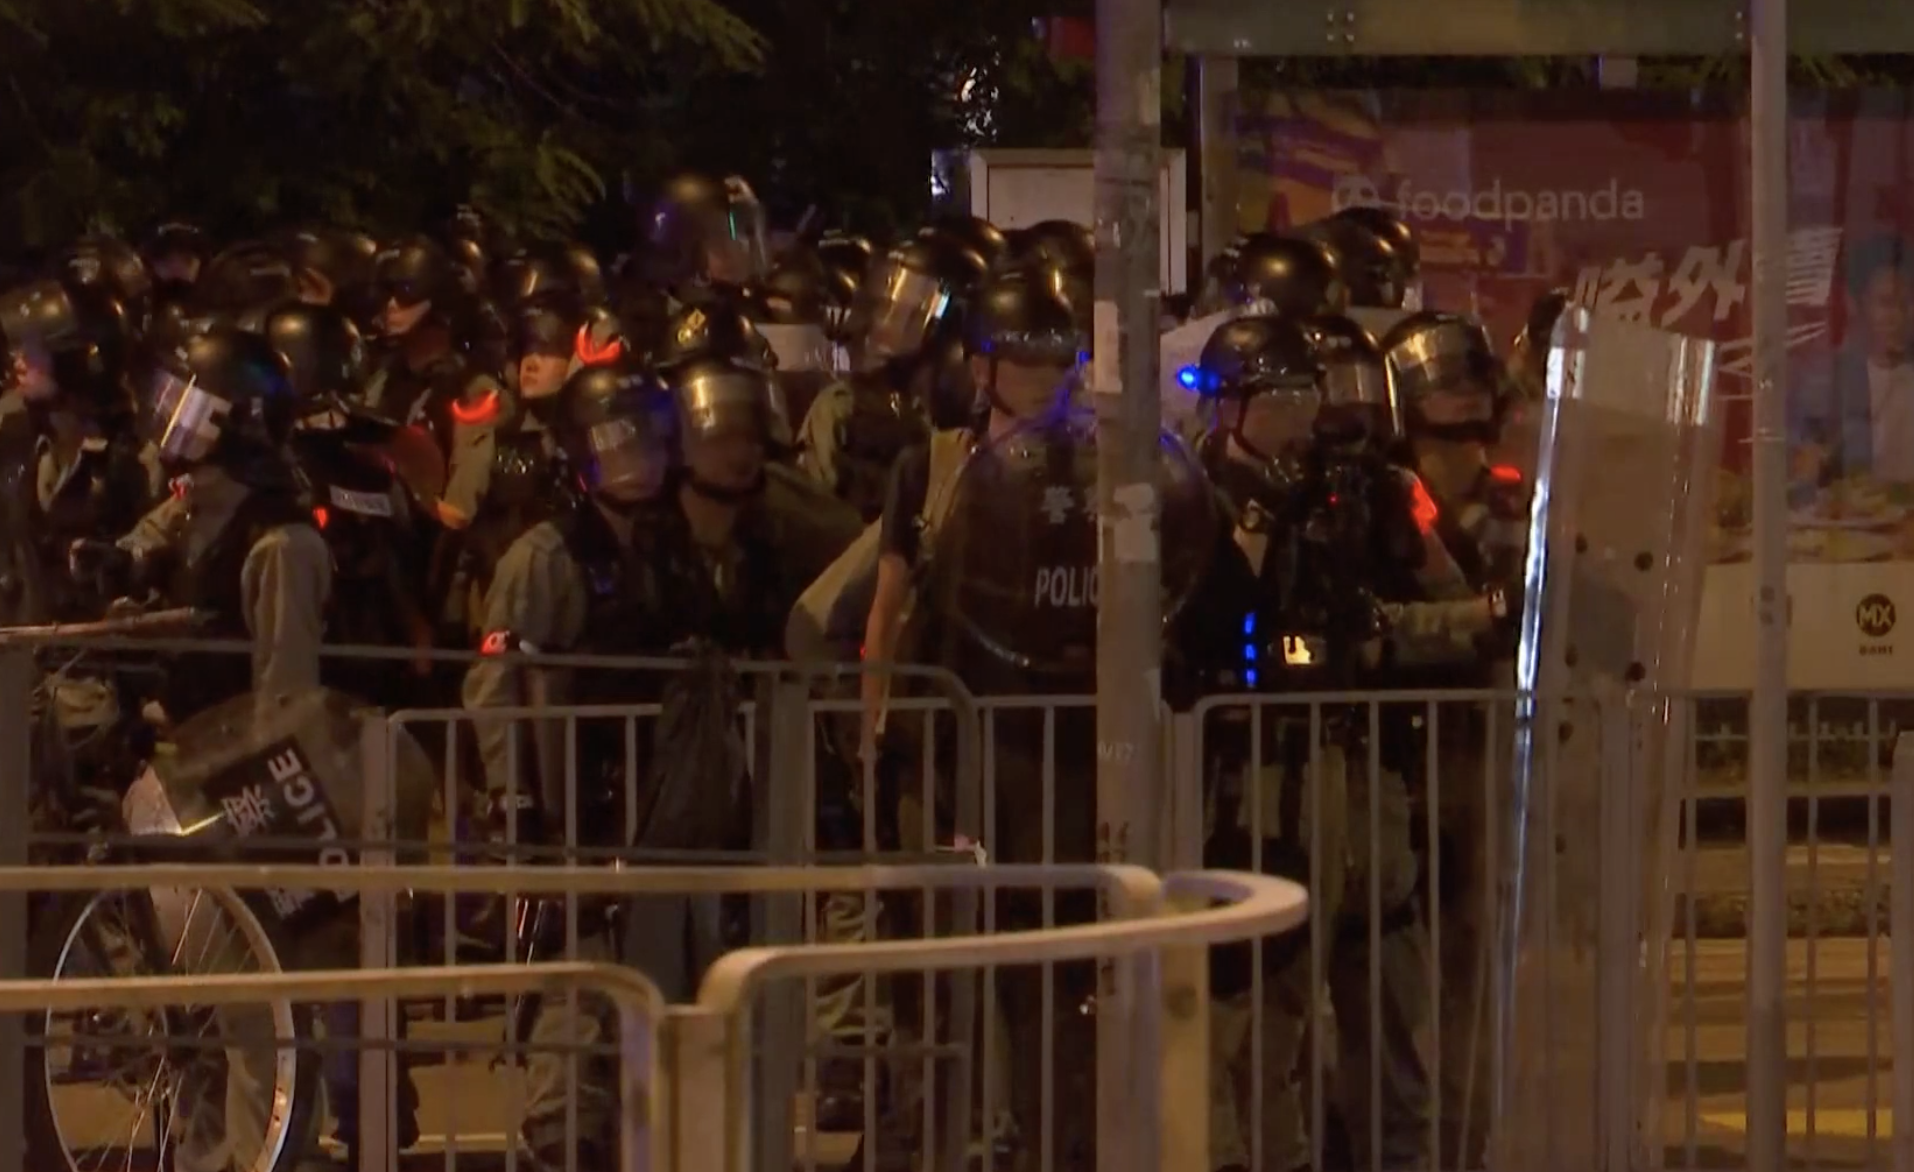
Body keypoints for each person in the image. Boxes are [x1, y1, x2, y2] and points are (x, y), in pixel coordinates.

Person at [1792, 232, 1914, 488]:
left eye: (1908, 303)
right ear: (1855, 304)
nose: (1899, 316)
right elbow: (1805, 467)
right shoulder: (1830, 381)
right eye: (1886, 303)